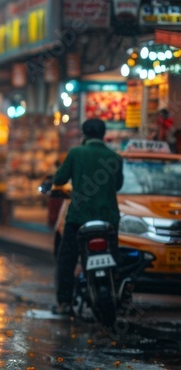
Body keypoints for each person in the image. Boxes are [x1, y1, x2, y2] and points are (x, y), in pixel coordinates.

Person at [51, 118, 123, 316]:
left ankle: (64, 303)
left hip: (78, 218)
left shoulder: (76, 152)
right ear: (103, 134)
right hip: (109, 220)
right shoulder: (115, 157)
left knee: (67, 258)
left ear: (84, 134)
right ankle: (119, 294)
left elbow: (59, 179)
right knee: (114, 258)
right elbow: (117, 186)